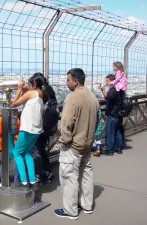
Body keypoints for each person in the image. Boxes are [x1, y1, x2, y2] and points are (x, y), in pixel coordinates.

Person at [54, 68, 100, 220]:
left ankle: (70, 210)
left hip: (73, 145)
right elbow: (97, 121)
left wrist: (65, 140)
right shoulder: (93, 97)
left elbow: (66, 123)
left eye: (68, 80)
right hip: (87, 144)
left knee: (69, 178)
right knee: (86, 175)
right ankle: (87, 205)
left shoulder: (72, 98)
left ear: (76, 81)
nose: (66, 83)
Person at [10, 75, 44, 190]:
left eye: (29, 85)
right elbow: (29, 97)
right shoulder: (40, 95)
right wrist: (25, 90)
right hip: (36, 130)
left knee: (17, 153)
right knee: (27, 153)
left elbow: (14, 104)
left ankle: (24, 182)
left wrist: (19, 89)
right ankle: (32, 180)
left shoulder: (31, 93)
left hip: (27, 129)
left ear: (33, 85)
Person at [31, 72, 59, 183]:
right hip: (49, 125)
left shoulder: (42, 91)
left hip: (43, 125)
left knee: (38, 151)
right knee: (42, 150)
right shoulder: (49, 88)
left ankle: (43, 174)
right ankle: (47, 172)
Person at [98, 74, 123, 155]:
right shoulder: (119, 88)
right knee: (118, 131)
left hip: (112, 113)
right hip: (118, 113)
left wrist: (102, 89)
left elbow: (107, 97)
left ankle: (109, 150)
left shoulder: (113, 88)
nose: (106, 82)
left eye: (107, 80)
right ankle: (118, 148)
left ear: (111, 80)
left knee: (110, 132)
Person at [0, 116, 21, 188]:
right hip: (14, 144)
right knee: (17, 162)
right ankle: (16, 181)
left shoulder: (1, 119)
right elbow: (18, 131)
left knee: (3, 164)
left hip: (4, 145)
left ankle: (4, 183)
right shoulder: (16, 118)